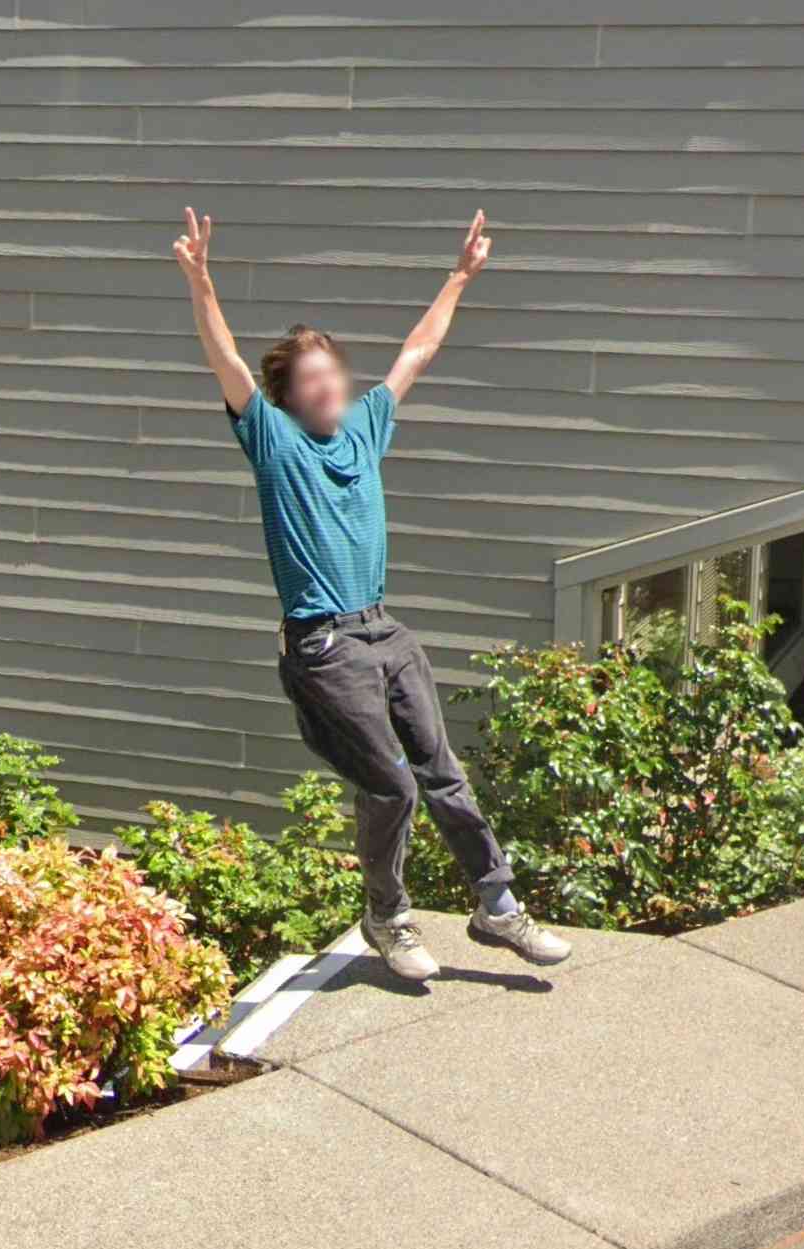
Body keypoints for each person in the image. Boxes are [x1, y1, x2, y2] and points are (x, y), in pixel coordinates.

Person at [171, 207, 570, 982]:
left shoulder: (363, 427)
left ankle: (495, 904)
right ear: (286, 396)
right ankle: (386, 915)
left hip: (384, 630)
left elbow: (416, 351)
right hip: (322, 643)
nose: (328, 386)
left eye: (333, 374)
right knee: (388, 782)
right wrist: (201, 281)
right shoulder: (272, 439)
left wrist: (460, 275)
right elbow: (223, 360)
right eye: (310, 379)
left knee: (442, 771)